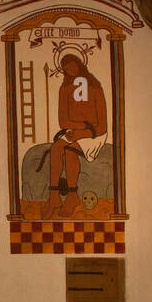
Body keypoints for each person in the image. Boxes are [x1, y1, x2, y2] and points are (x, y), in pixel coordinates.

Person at [42, 52, 107, 219]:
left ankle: (70, 197)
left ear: (79, 64)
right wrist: (80, 128)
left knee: (68, 149)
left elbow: (102, 126)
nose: (69, 69)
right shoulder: (65, 89)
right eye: (65, 68)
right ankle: (56, 196)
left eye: (71, 65)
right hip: (75, 133)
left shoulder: (94, 87)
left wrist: (84, 131)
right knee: (58, 148)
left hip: (94, 135)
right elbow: (63, 121)